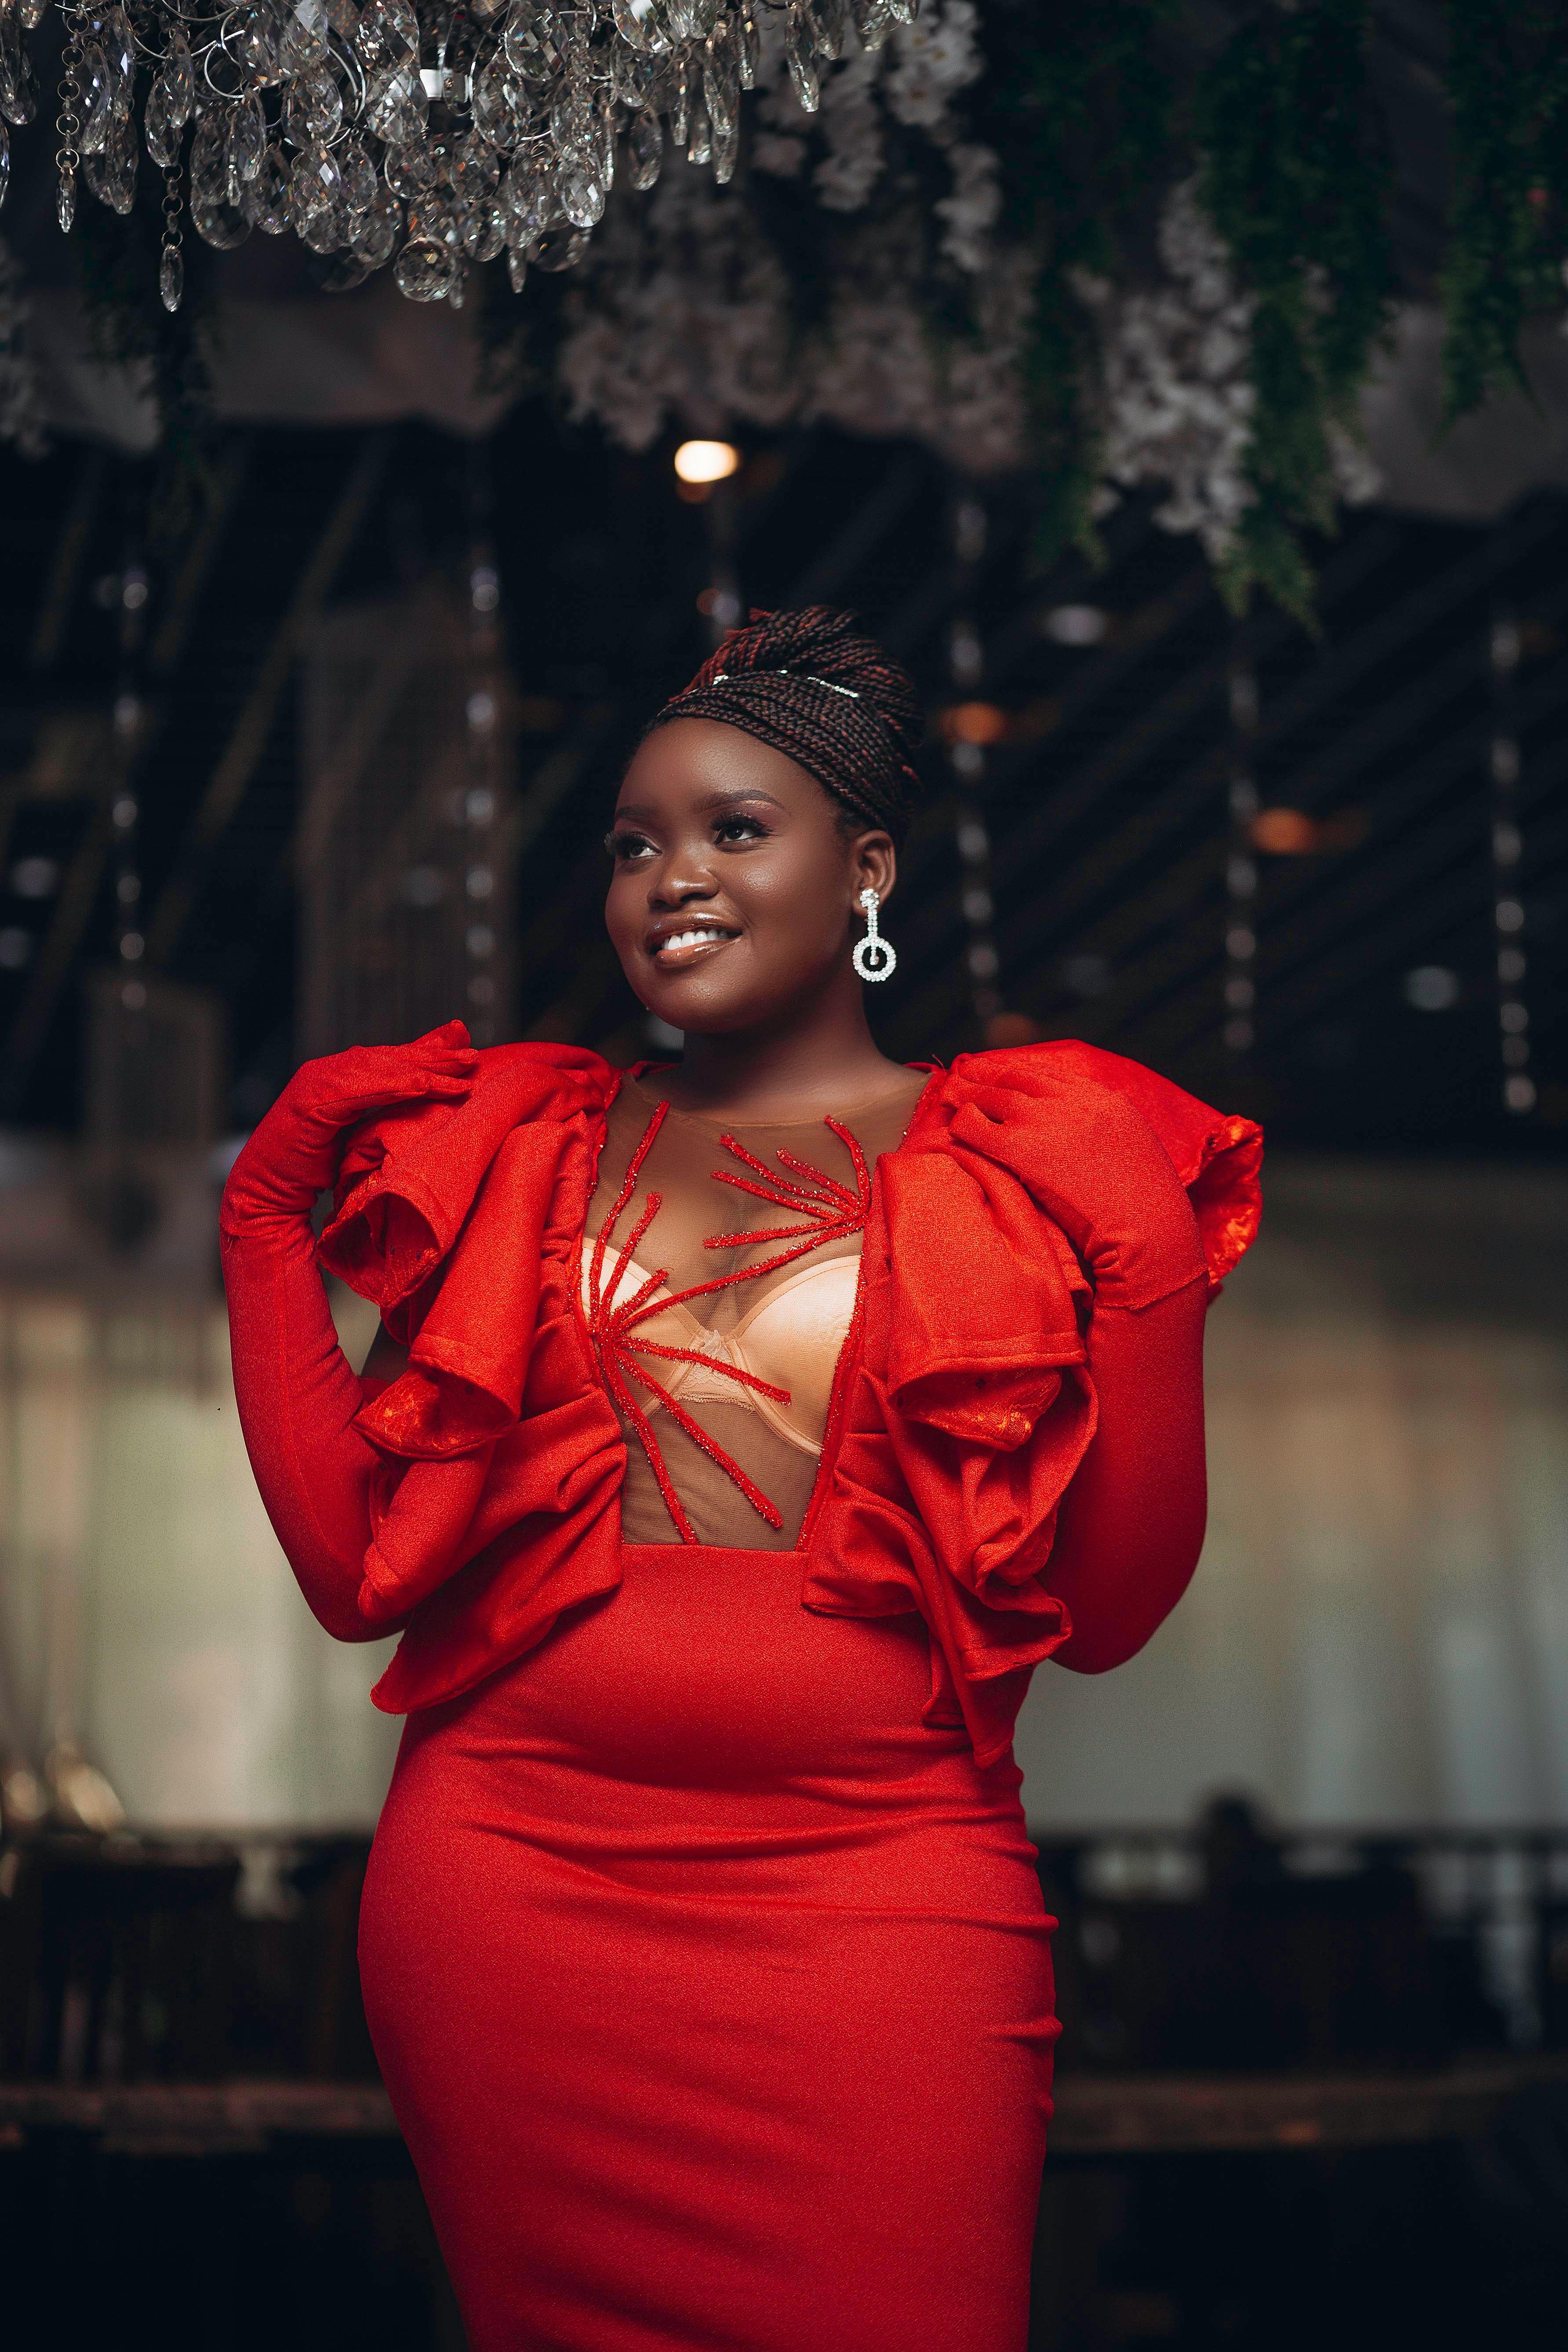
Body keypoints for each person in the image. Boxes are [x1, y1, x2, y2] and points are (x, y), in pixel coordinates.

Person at [221, 605, 1262, 2352]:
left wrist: (1146, 1273)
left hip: (883, 1897)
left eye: (730, 830)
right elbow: (353, 1577)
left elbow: (1106, 1623)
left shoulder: (1012, 1151)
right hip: (510, 1897)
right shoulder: (534, 1141)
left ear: (864, 869)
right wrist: (263, 1229)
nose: (667, 880)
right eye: (632, 844)